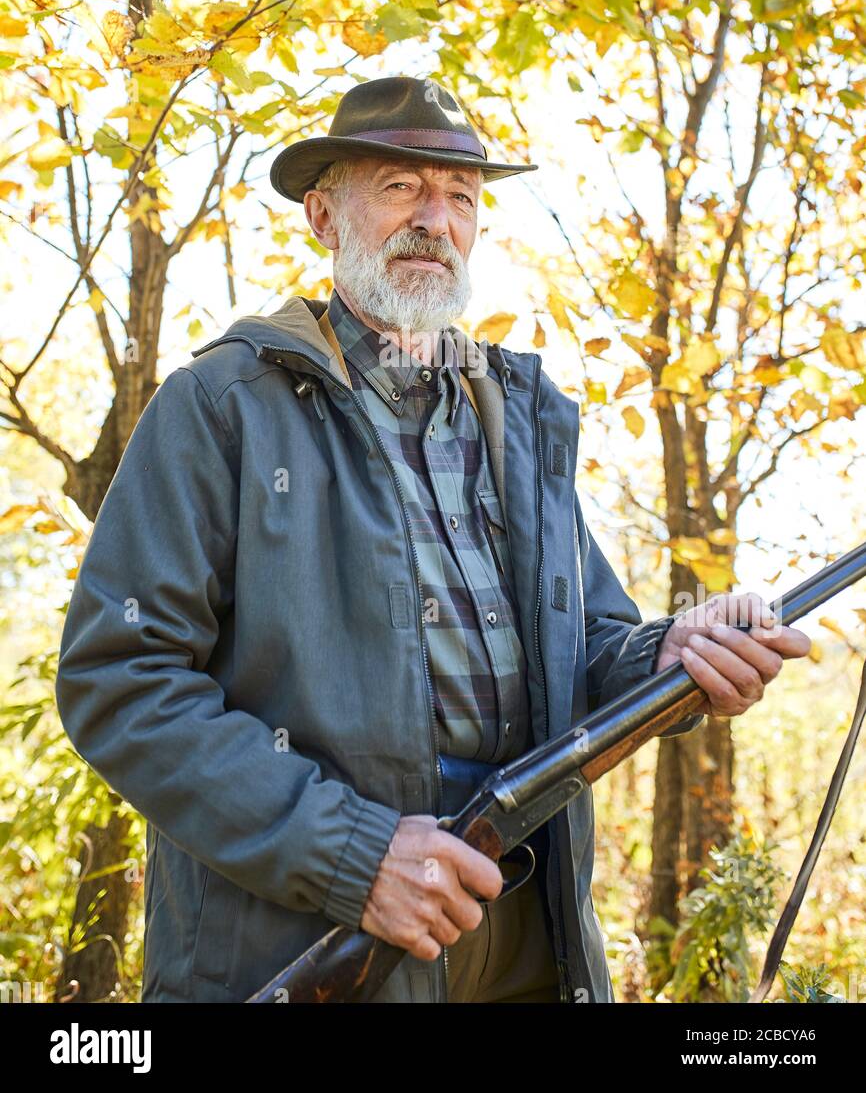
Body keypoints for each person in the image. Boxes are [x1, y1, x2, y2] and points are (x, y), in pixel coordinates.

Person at [55, 75, 810, 1003]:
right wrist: (353, 856)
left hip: (535, 944)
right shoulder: (220, 409)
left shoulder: (521, 421)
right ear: (325, 219)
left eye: (461, 196)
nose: (436, 219)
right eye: (401, 188)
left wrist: (676, 655)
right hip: (309, 938)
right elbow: (121, 678)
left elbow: (593, 648)